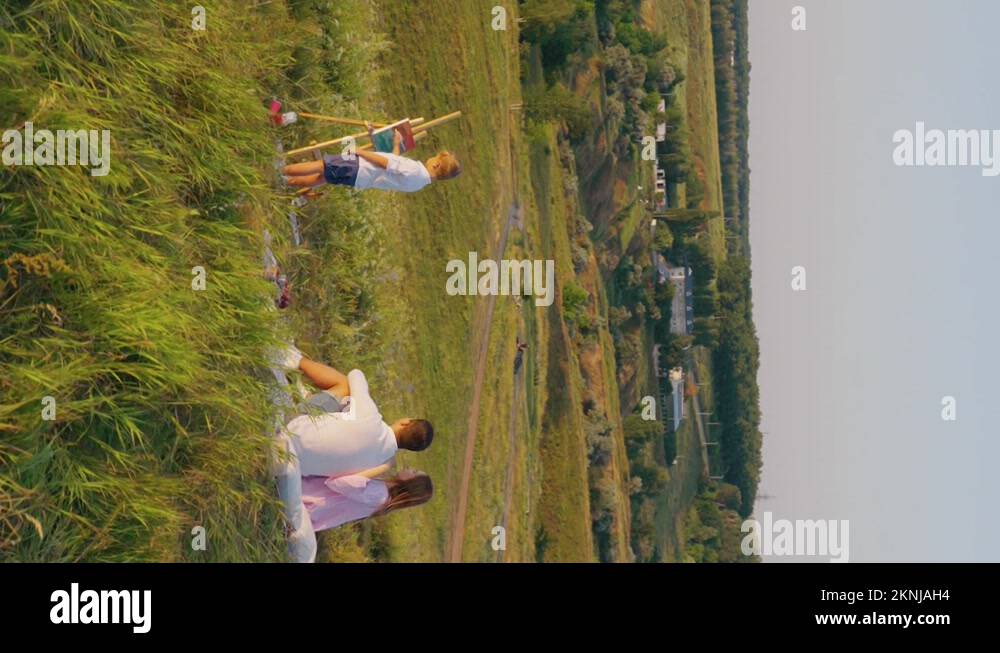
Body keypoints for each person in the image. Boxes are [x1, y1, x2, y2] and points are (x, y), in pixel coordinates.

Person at [272, 345, 434, 476]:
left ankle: (294, 360)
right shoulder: (379, 464)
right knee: (346, 416)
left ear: (405, 423)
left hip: (291, 428)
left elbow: (356, 374)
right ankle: (308, 395)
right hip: (295, 467)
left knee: (345, 386)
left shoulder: (372, 420)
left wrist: (365, 398)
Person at [282, 126, 461, 193]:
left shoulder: (416, 169)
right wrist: (396, 145)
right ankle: (285, 184)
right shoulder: (419, 183)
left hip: (360, 166)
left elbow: (386, 163)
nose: (430, 158)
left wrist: (359, 151)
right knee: (323, 178)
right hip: (360, 179)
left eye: (434, 158)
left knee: (320, 166)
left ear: (436, 164)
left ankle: (280, 171)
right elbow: (393, 167)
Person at [301, 467, 433, 532]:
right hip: (313, 511)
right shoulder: (383, 497)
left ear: (411, 485)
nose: (409, 468)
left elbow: (338, 483)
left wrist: (378, 468)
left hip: (307, 501)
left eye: (414, 472)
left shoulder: (379, 494)